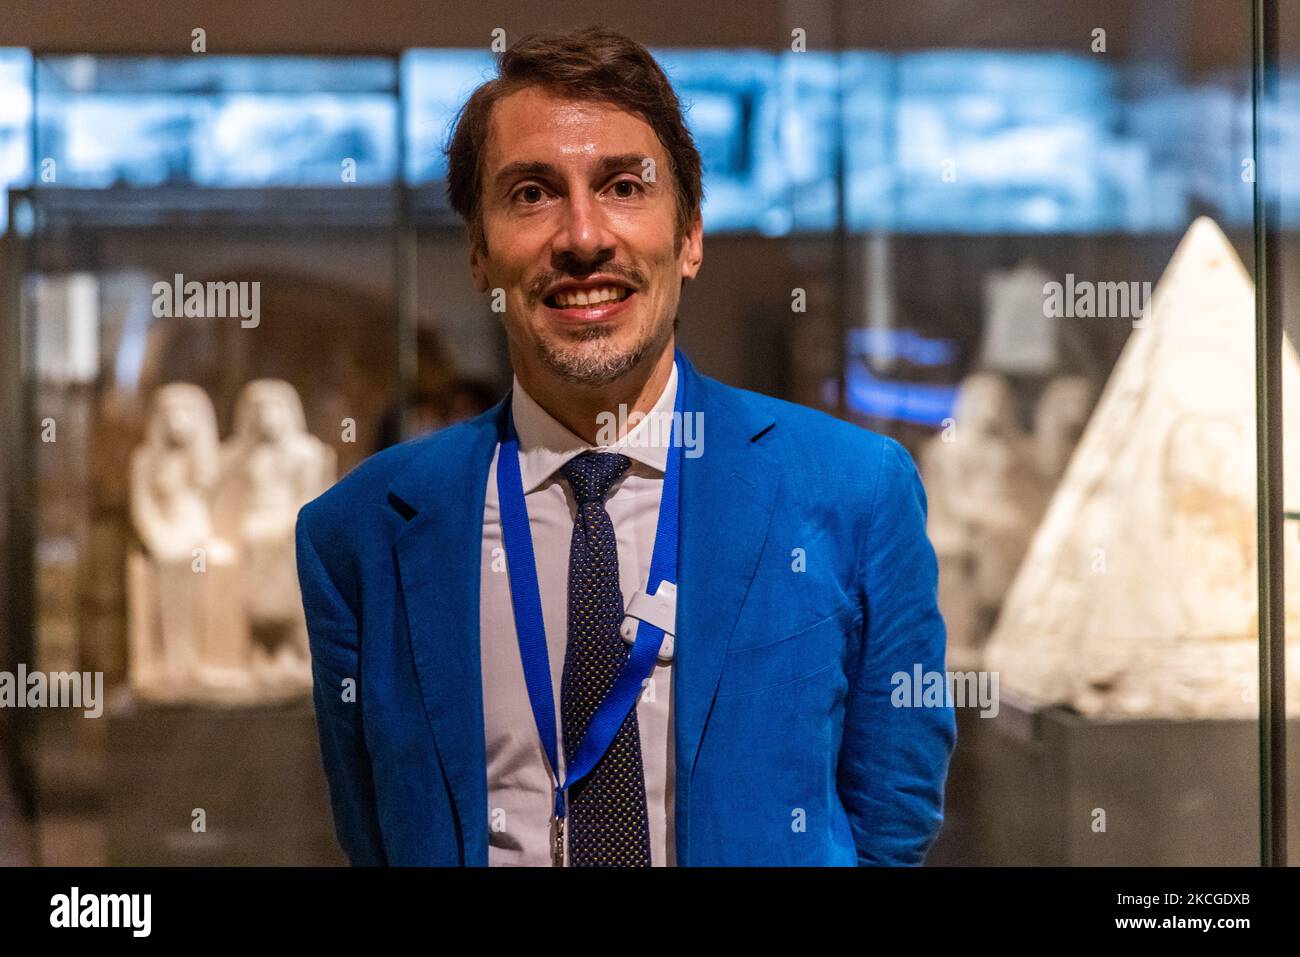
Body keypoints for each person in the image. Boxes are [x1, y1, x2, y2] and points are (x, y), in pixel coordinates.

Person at [296, 27, 955, 867]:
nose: (581, 237)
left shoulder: (854, 491)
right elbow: (376, 832)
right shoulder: (359, 533)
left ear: (689, 238)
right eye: (531, 193)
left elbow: (892, 812)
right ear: (477, 252)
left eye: (622, 186)